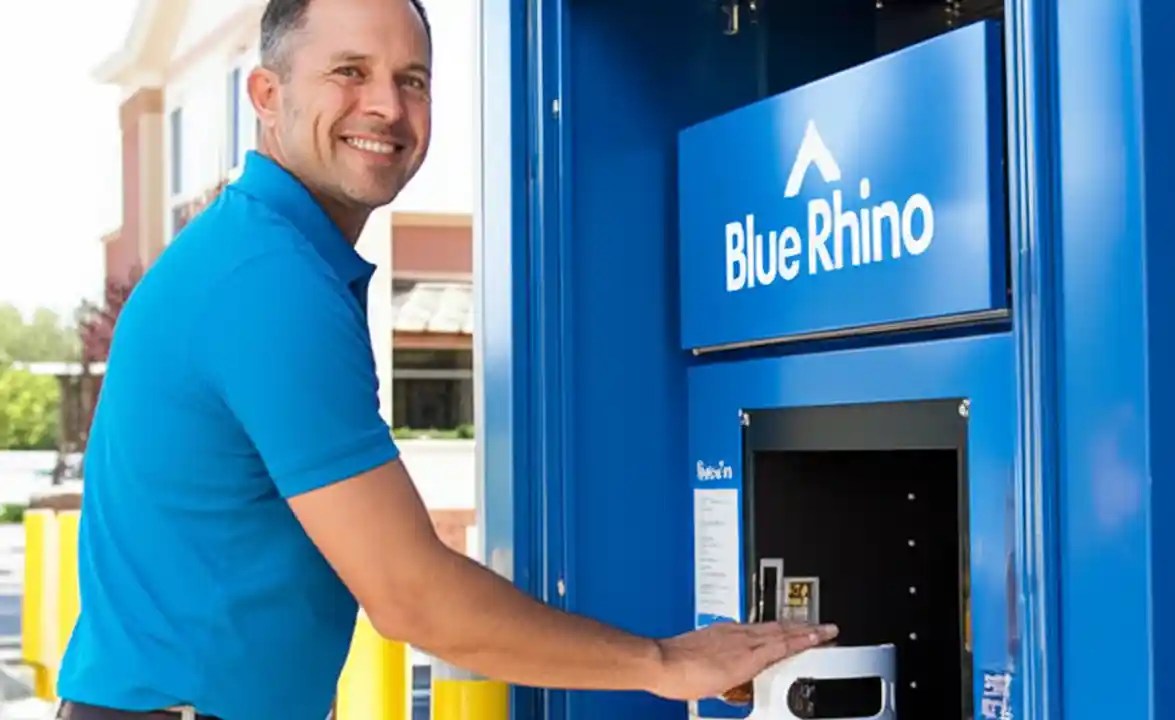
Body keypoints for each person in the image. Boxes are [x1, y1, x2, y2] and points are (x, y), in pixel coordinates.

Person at [54, 0, 838, 718]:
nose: (387, 108)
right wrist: (662, 662)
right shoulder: (267, 280)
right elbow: (410, 597)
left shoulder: (266, 255)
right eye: (349, 72)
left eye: (412, 80)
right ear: (265, 94)